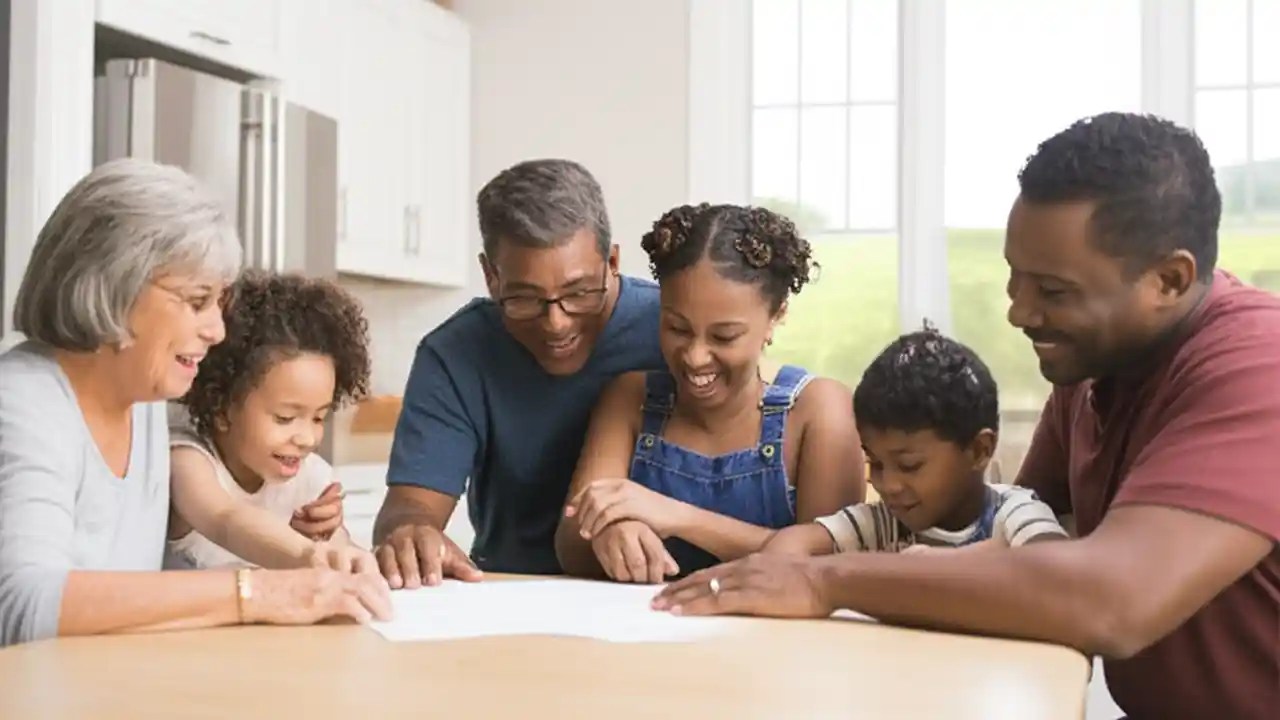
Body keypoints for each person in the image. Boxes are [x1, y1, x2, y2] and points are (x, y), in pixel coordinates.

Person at [652, 112, 1279, 720]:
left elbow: (1113, 600)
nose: (1019, 313)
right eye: (1015, 280)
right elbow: (1009, 536)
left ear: (1169, 279)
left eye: (1054, 292)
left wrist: (824, 581)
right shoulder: (1095, 365)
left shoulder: (1259, 366)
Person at [0, 159, 391, 647]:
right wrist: (257, 593)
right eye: (197, 300)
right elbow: (24, 605)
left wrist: (312, 561)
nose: (217, 331)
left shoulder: (143, 405)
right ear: (117, 285)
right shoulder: (23, 402)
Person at [371, 159, 666, 585]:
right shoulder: (455, 355)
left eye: (579, 293)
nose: (557, 322)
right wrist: (408, 534)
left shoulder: (673, 333)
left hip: (654, 588)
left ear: (613, 261)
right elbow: (410, 506)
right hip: (510, 587)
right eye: (525, 298)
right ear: (491, 277)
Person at [554, 203, 863, 583]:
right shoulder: (630, 398)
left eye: (724, 336)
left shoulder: (819, 410)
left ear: (777, 315)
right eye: (677, 328)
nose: (695, 357)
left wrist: (677, 517)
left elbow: (833, 566)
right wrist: (607, 532)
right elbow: (571, 545)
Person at [764, 326, 1065, 558]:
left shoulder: (1014, 514)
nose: (888, 485)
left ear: (978, 450)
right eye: (876, 463)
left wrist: (931, 566)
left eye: (909, 465)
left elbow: (1052, 564)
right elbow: (790, 546)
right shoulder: (882, 524)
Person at [166, 270, 375, 571]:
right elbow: (225, 519)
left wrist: (330, 539)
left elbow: (345, 555)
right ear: (222, 407)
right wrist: (305, 554)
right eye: (285, 418)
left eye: (319, 417)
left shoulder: (308, 477)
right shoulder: (189, 462)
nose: (306, 438)